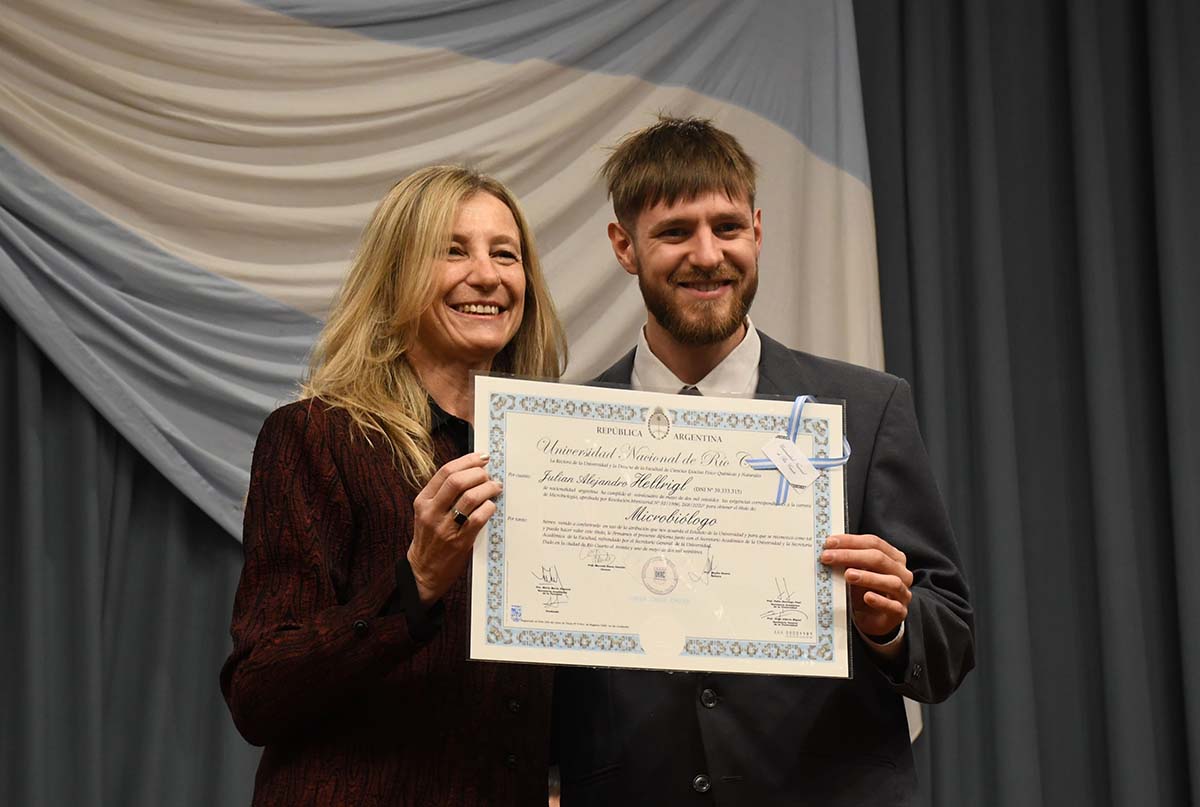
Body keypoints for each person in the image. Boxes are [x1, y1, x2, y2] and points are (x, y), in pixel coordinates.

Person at [552, 117, 975, 806]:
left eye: (727, 227)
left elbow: (950, 640)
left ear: (757, 229)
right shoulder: (565, 437)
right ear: (624, 246)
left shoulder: (867, 410)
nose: (707, 255)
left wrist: (891, 624)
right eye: (675, 232)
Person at [220, 165, 567, 807]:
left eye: (505, 254)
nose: (487, 276)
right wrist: (416, 584)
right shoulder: (317, 437)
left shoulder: (554, 459)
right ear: (396, 274)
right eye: (453, 250)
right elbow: (258, 693)